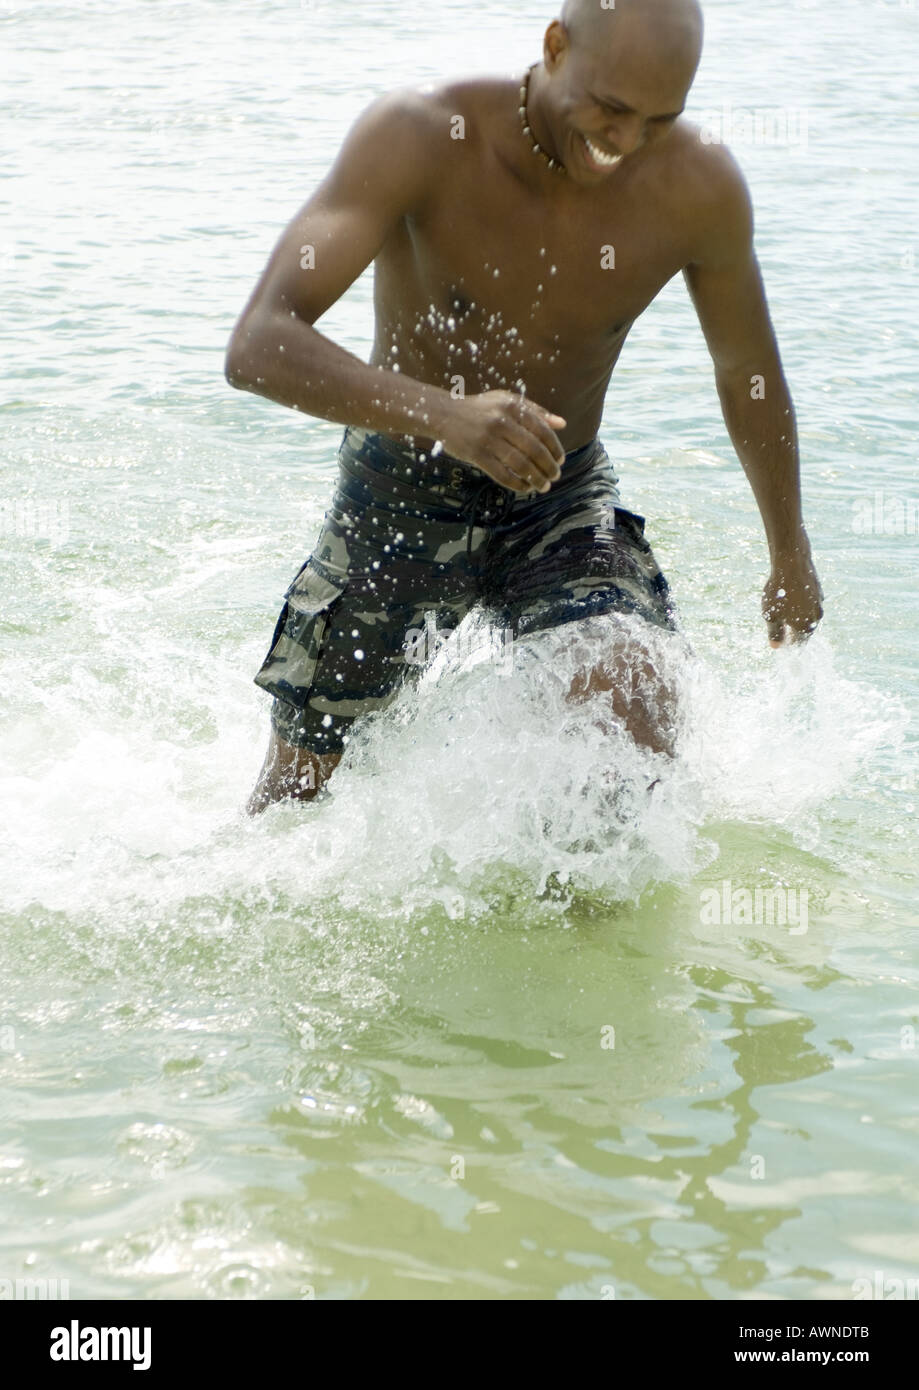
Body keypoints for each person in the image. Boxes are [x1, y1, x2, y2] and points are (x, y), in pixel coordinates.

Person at [225, 0, 823, 816]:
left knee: (632, 711)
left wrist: (788, 554)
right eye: (610, 109)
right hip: (402, 488)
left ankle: (589, 938)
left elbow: (746, 371)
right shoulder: (420, 133)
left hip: (558, 493)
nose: (624, 144)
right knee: (297, 799)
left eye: (659, 119)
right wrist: (447, 417)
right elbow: (259, 341)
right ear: (554, 46)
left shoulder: (698, 186)